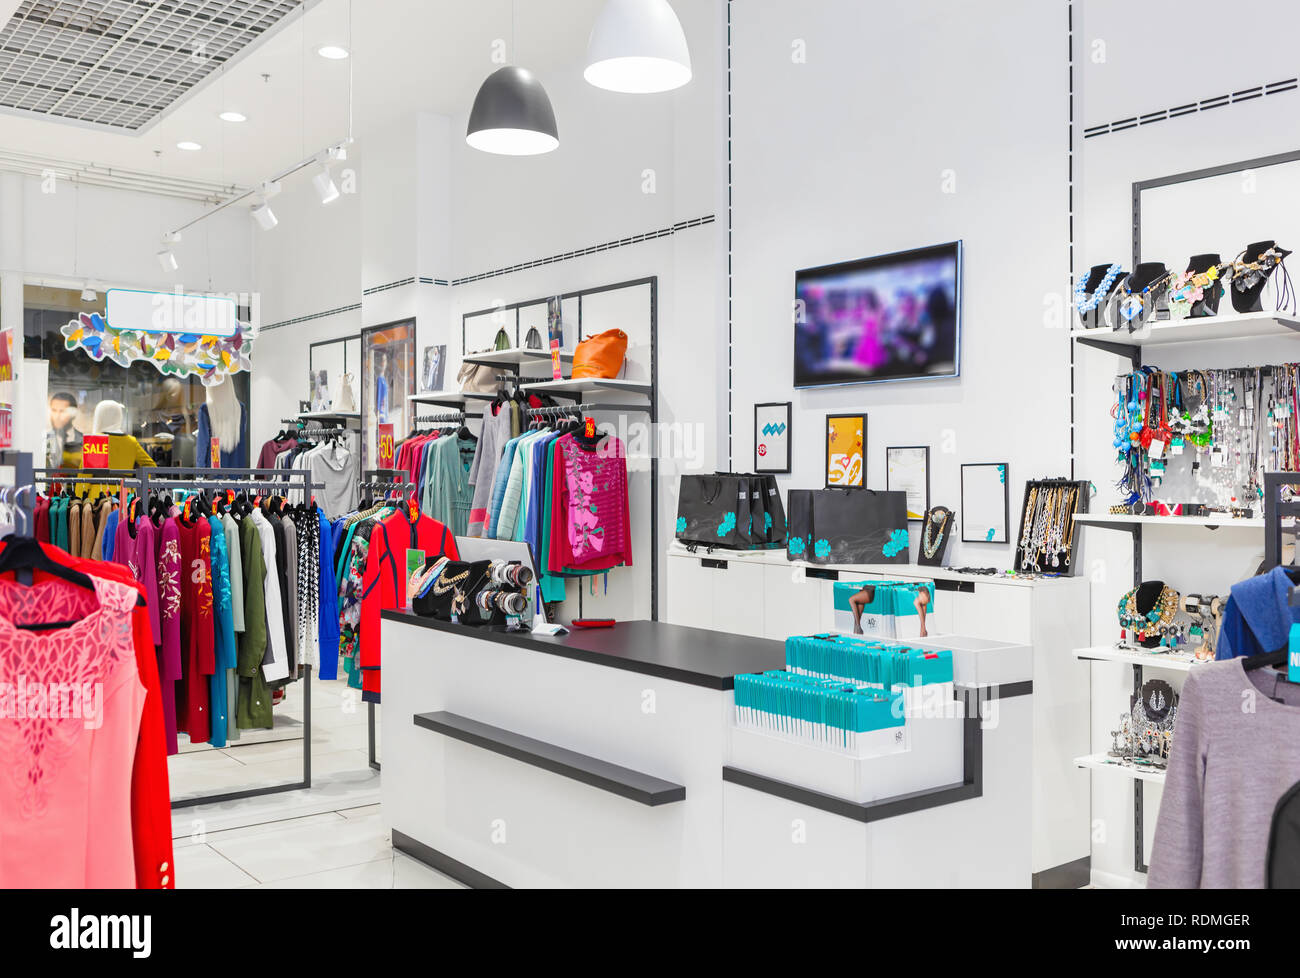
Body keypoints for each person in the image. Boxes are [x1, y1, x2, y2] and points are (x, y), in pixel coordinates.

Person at [47, 392, 83, 468]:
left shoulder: (84, 441)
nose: (57, 416)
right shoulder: (45, 439)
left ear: (73, 414)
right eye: (54, 410)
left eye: (62, 411)